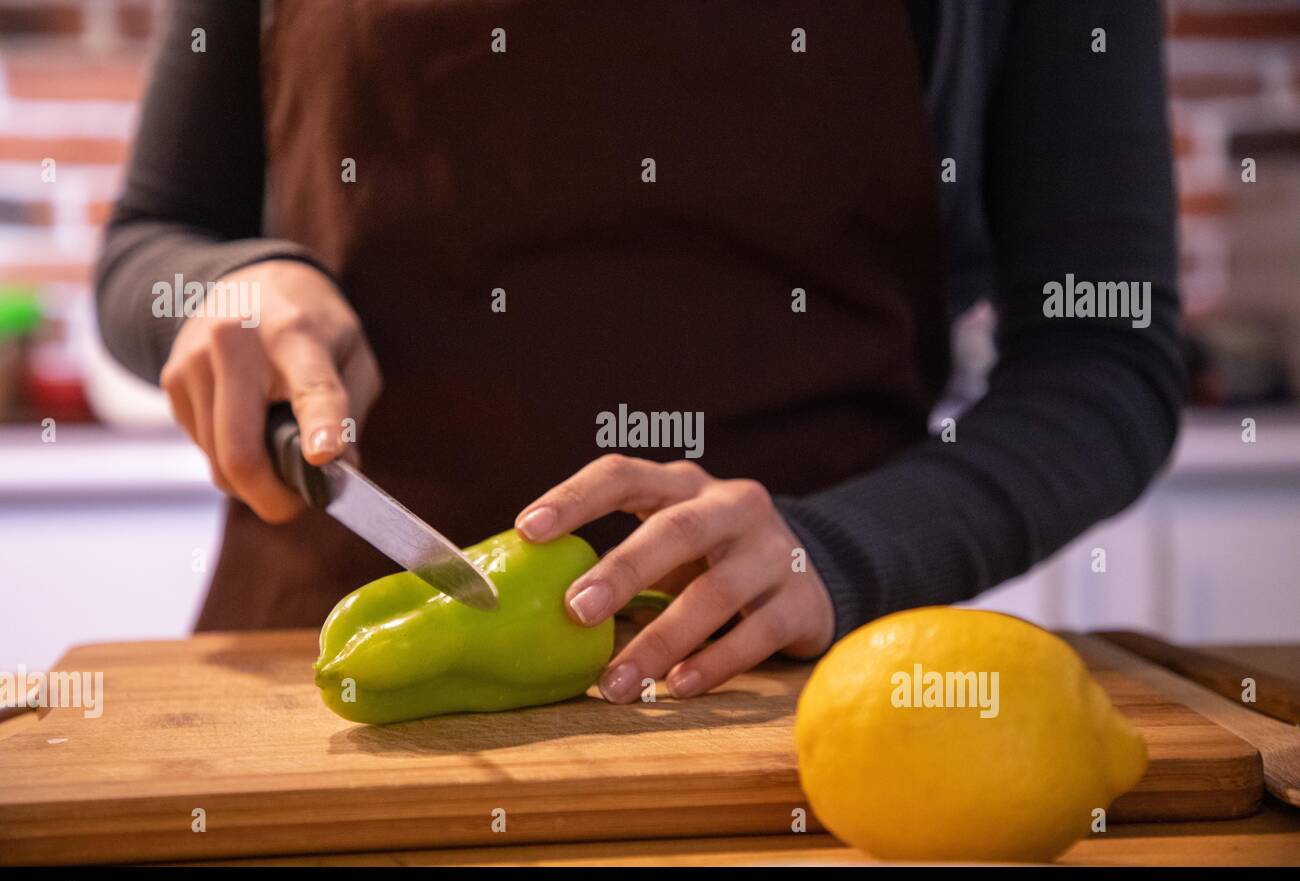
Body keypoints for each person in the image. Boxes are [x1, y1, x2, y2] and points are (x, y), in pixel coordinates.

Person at [96, 1, 1183, 704]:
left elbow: (1105, 357)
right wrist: (232, 285)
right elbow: (152, 236)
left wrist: (844, 551)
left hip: (784, 700)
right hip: (314, 665)